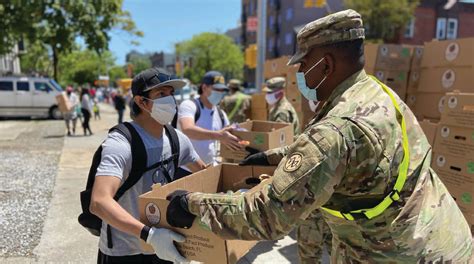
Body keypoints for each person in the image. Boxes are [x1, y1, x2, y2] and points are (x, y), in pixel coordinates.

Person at [165, 10, 473, 263]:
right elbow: (351, 155)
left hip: (396, 254)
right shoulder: (381, 96)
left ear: (325, 64)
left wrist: (192, 202)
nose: (298, 73)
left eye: (301, 63)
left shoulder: (333, 129)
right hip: (442, 238)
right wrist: (271, 157)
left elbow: (267, 214)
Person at [90, 67, 206, 264]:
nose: (170, 100)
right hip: (125, 252)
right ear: (141, 101)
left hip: (165, 247)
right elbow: (99, 202)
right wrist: (150, 235)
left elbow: (205, 174)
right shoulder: (121, 143)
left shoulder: (177, 138)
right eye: (161, 94)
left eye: (171, 93)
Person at [177, 71, 241, 175]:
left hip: (209, 169)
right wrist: (219, 136)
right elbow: (187, 129)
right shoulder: (189, 105)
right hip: (186, 171)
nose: (220, 93)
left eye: (222, 90)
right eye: (216, 89)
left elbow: (228, 137)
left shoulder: (221, 114)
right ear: (204, 88)